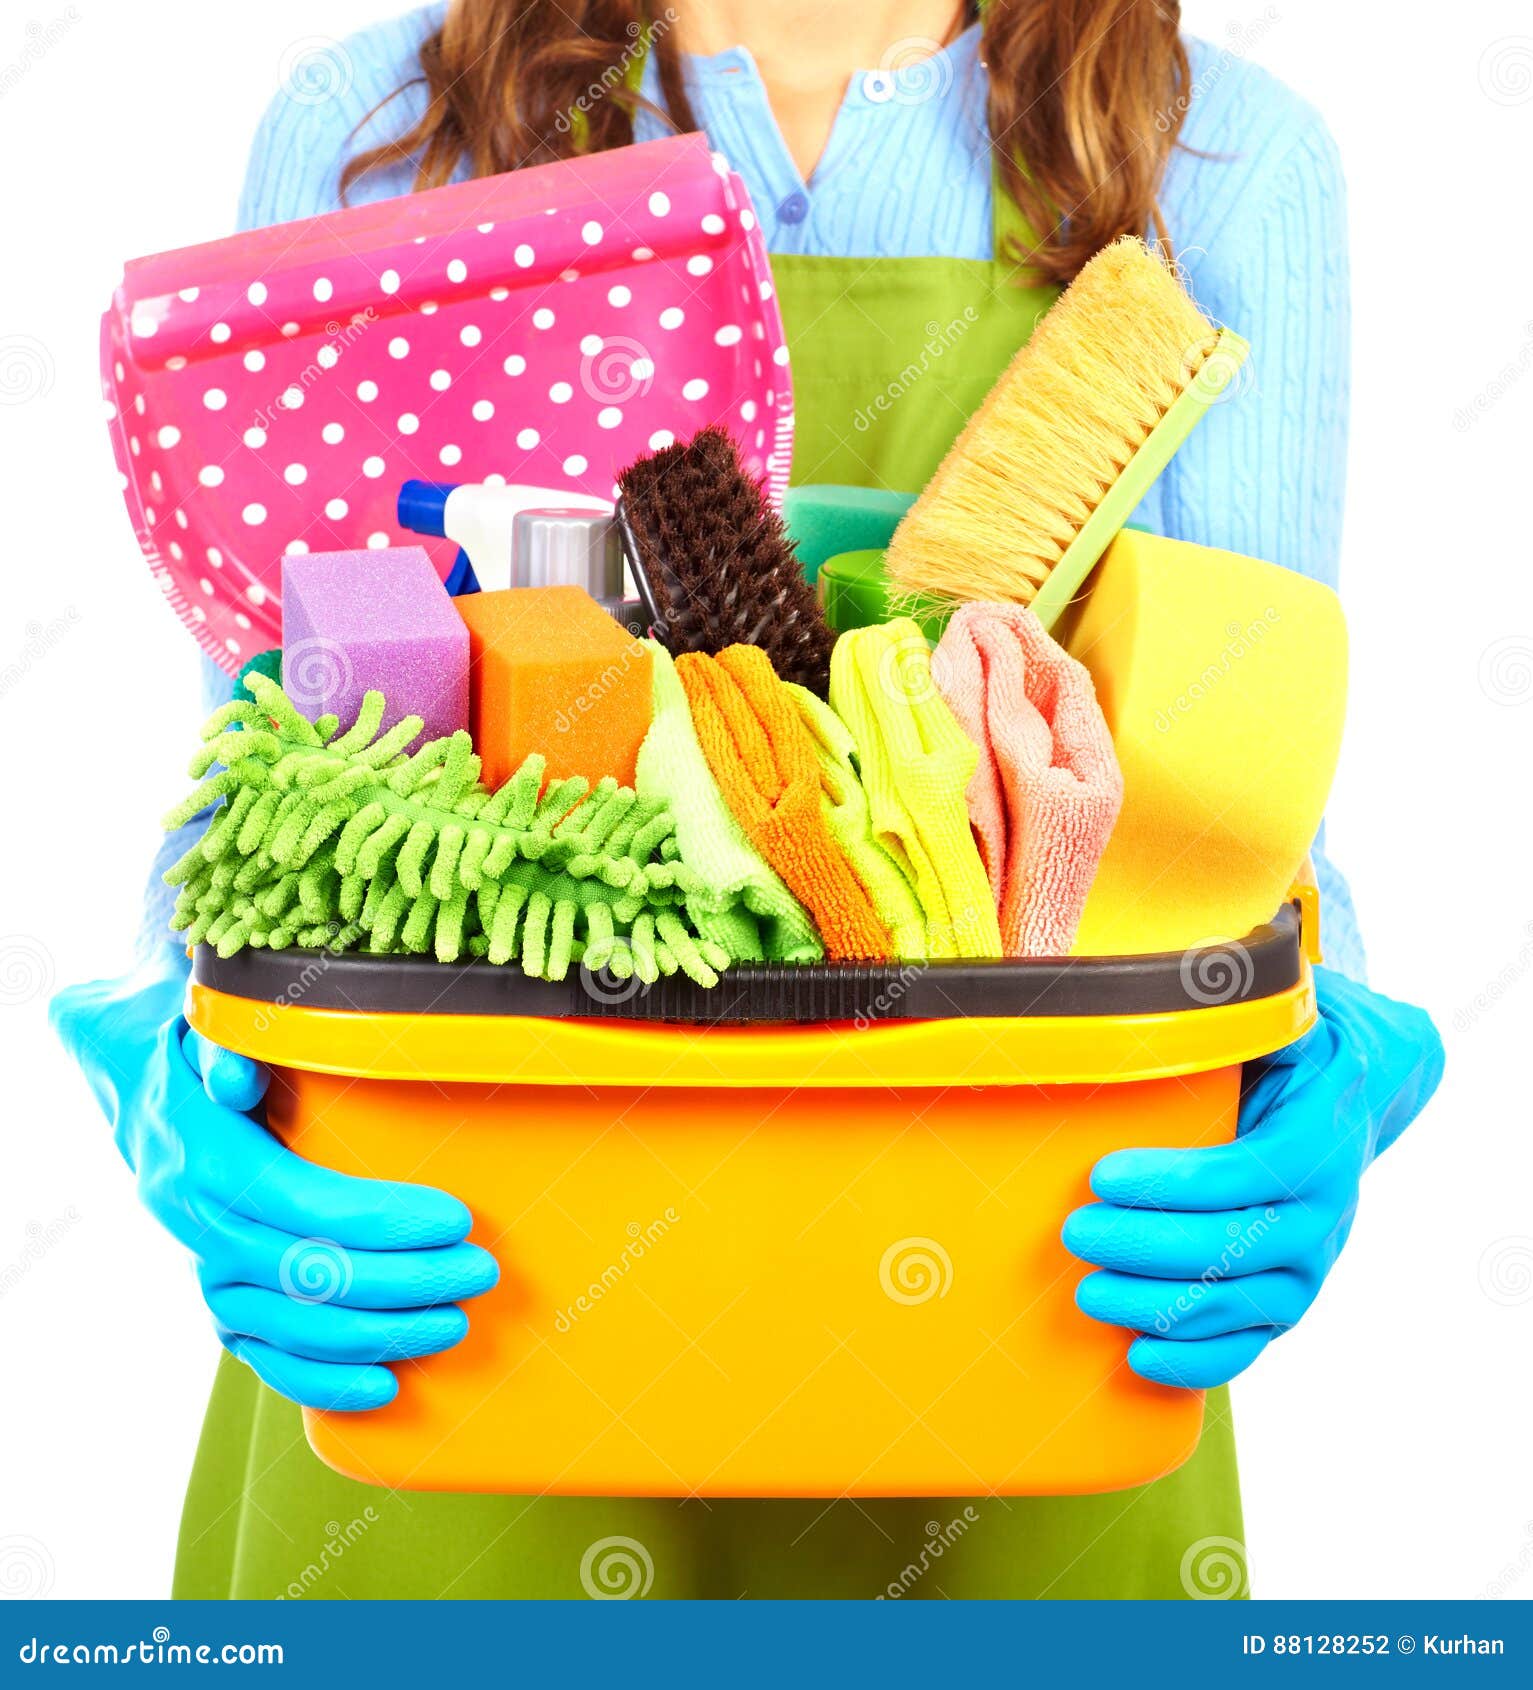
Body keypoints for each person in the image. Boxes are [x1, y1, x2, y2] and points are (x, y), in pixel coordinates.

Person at [52, 0, 1443, 1599]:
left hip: (1021, 1319)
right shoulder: (378, 126)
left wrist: (1319, 1036)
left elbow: (1249, 782)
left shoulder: (1214, 158)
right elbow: (271, 767)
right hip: (452, 1307)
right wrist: (186, 1036)